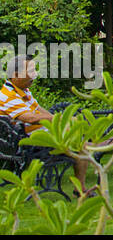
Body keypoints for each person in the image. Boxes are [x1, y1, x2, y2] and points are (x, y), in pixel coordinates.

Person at [0, 55, 90, 194]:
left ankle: (89, 146)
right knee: (81, 145)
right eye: (30, 71)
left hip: (27, 138)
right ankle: (81, 188)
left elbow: (39, 110)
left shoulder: (22, 91)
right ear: (16, 75)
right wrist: (60, 119)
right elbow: (30, 118)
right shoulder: (8, 96)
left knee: (75, 131)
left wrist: (59, 119)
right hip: (27, 144)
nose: (34, 75)